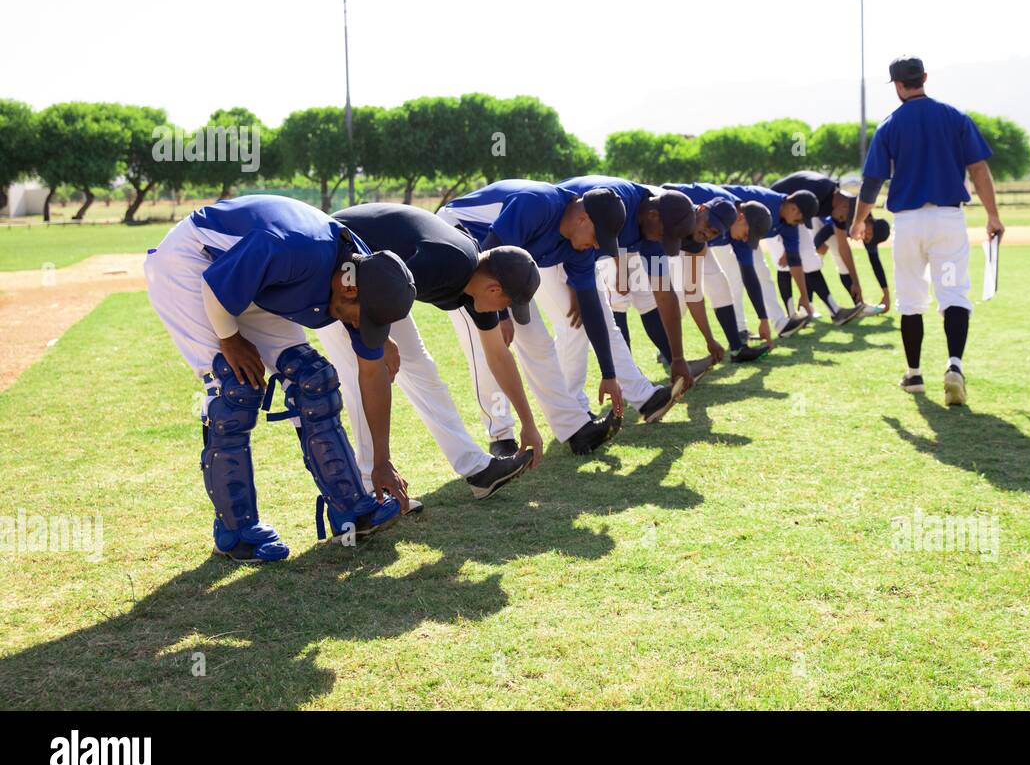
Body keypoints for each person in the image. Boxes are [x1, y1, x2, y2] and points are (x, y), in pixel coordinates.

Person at [144, 194, 415, 562]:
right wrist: (230, 339)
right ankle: (234, 530)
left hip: (261, 281)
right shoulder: (292, 247)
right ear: (348, 287)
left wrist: (382, 461)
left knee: (313, 380)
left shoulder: (364, 271)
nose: (355, 326)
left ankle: (351, 507)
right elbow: (216, 285)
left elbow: (373, 373)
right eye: (357, 316)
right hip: (195, 265)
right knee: (234, 388)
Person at [326, 203, 580, 502]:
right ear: (495, 289)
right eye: (507, 304)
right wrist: (382, 340)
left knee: (422, 370)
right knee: (368, 374)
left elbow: (499, 356)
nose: (503, 313)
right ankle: (369, 491)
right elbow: (371, 280)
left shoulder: (475, 284)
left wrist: (528, 424)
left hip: (376, 281)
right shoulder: (448, 263)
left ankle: (478, 470)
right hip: (338, 274)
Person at [438, 178, 677, 432]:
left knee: (541, 341)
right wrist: (501, 315)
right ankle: (501, 435)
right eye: (598, 237)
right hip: (462, 242)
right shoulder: (536, 204)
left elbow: (592, 309)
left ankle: (575, 428)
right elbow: (488, 261)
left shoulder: (578, 243)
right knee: (488, 344)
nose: (597, 246)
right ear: (583, 219)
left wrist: (609, 374)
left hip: (505, 264)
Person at [850, 56, 1006, 405]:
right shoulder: (954, 117)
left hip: (908, 224)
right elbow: (979, 168)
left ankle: (914, 374)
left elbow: (872, 182)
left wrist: (859, 221)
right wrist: (993, 214)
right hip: (949, 222)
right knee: (953, 294)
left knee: (910, 300)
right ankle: (954, 366)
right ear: (924, 78)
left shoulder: (889, 124)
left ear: (898, 86)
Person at [555, 176, 712, 402]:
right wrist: (576, 288)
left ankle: (629, 392)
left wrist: (677, 357)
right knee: (573, 325)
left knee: (603, 318)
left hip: (579, 260)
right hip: (551, 247)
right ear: (652, 215)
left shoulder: (652, 231)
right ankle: (573, 410)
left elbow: (665, 296)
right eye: (663, 234)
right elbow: (571, 236)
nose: (661, 240)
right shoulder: (615, 202)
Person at [662, 182, 774, 362]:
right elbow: (667, 191)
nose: (746, 239)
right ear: (741, 218)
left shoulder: (730, 226)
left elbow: (749, 274)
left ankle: (737, 348)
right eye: (747, 233)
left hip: (695, 245)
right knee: (678, 294)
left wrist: (763, 318)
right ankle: (667, 351)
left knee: (718, 284)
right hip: (669, 238)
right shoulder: (707, 202)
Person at [721, 182, 818, 338]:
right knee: (735, 278)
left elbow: (794, 259)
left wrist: (804, 295)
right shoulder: (764, 201)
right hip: (726, 230)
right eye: (801, 217)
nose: (800, 222)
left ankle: (780, 323)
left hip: (746, 237)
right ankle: (739, 329)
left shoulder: (790, 224)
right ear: (793, 208)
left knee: (762, 273)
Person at [769, 170, 865, 324]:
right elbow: (791, 210)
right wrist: (788, 249)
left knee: (811, 260)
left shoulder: (839, 208)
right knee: (785, 265)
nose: (839, 220)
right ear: (845, 206)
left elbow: (843, 247)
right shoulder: (818, 188)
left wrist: (855, 282)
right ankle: (792, 316)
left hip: (795, 217)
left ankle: (836, 312)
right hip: (774, 214)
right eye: (842, 218)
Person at [814, 175, 891, 315]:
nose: (866, 238)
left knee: (841, 263)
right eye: (868, 235)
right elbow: (826, 231)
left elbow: (875, 262)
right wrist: (817, 249)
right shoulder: (855, 213)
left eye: (868, 239)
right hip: (817, 219)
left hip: (831, 231)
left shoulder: (869, 233)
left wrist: (886, 293)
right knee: (813, 263)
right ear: (870, 221)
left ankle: (859, 306)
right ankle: (808, 306)